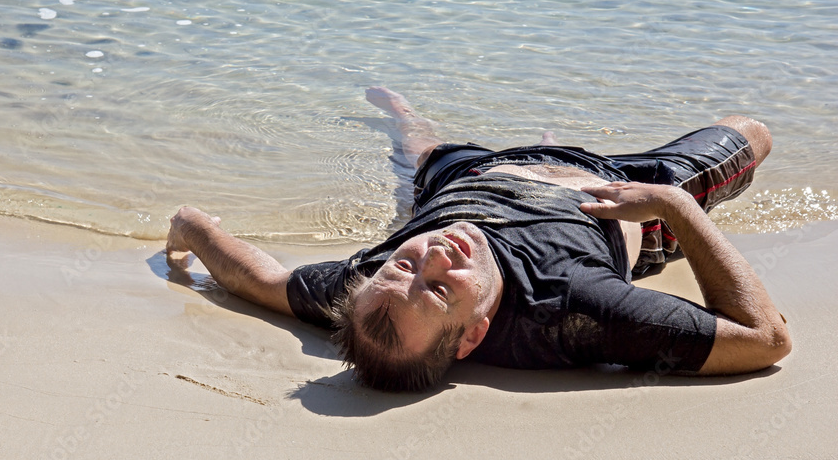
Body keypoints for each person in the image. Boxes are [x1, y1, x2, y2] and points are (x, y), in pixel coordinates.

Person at [165, 88, 791, 391]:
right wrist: (676, 207)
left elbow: (262, 281)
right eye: (439, 291)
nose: (431, 256)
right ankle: (553, 143)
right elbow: (766, 340)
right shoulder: (578, 307)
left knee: (416, 151)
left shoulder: (372, 295)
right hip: (620, 189)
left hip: (467, 176)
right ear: (473, 335)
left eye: (402, 267)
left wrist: (196, 228)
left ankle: (406, 119)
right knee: (751, 133)